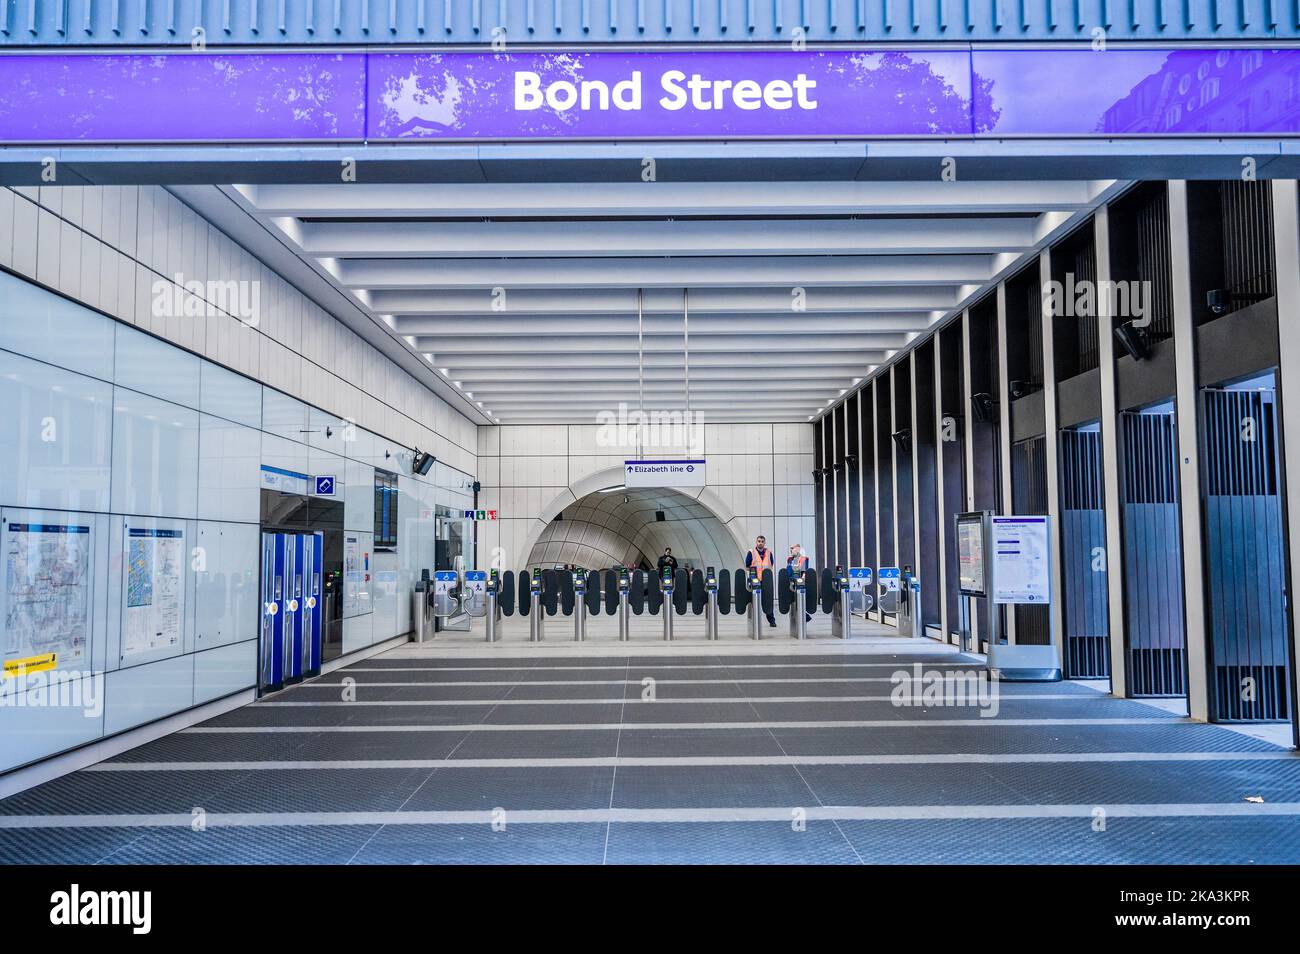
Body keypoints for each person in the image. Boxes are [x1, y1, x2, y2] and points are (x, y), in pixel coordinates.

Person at [745, 535, 777, 626]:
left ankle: (772, 621)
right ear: (756, 542)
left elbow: (771, 564)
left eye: (762, 541)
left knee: (768, 600)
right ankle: (755, 620)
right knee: (754, 601)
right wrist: (749, 579)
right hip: (755, 580)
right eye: (759, 541)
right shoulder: (751, 552)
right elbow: (747, 566)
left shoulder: (769, 553)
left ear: (764, 543)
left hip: (766, 581)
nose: (760, 543)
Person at [788, 544, 813, 624]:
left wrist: (801, 582)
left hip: (798, 583)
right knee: (793, 602)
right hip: (791, 582)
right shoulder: (790, 559)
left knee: (798, 602)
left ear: (798, 549)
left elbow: (804, 573)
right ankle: (801, 618)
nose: (791, 550)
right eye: (790, 548)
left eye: (792, 548)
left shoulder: (803, 559)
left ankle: (805, 617)